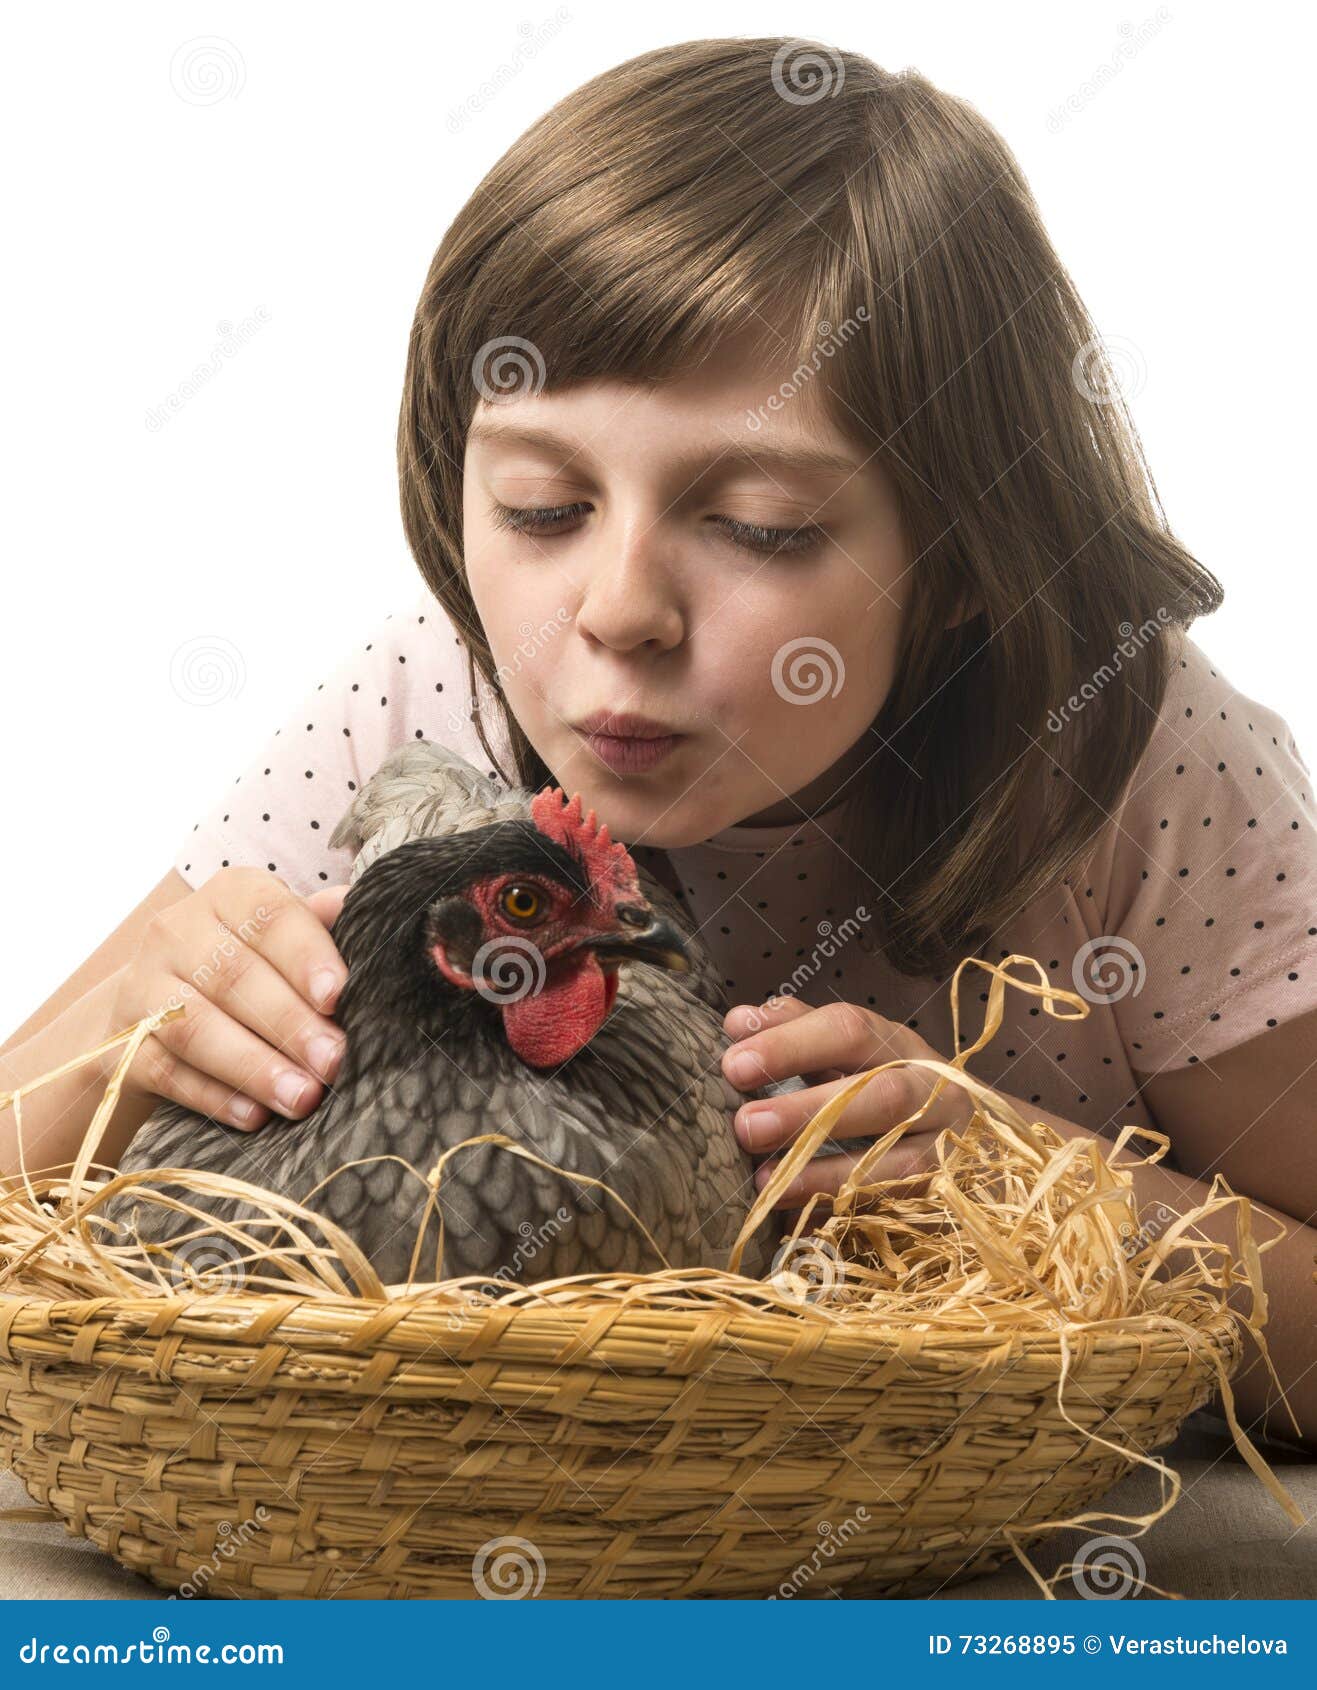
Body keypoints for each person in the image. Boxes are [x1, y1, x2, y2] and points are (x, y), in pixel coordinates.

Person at [3, 38, 1313, 1443]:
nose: (618, 611)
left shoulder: (1129, 758)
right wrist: (119, 1049)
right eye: (540, 506)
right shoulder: (424, 717)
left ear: (957, 556)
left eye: (758, 527)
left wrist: (1055, 1196)